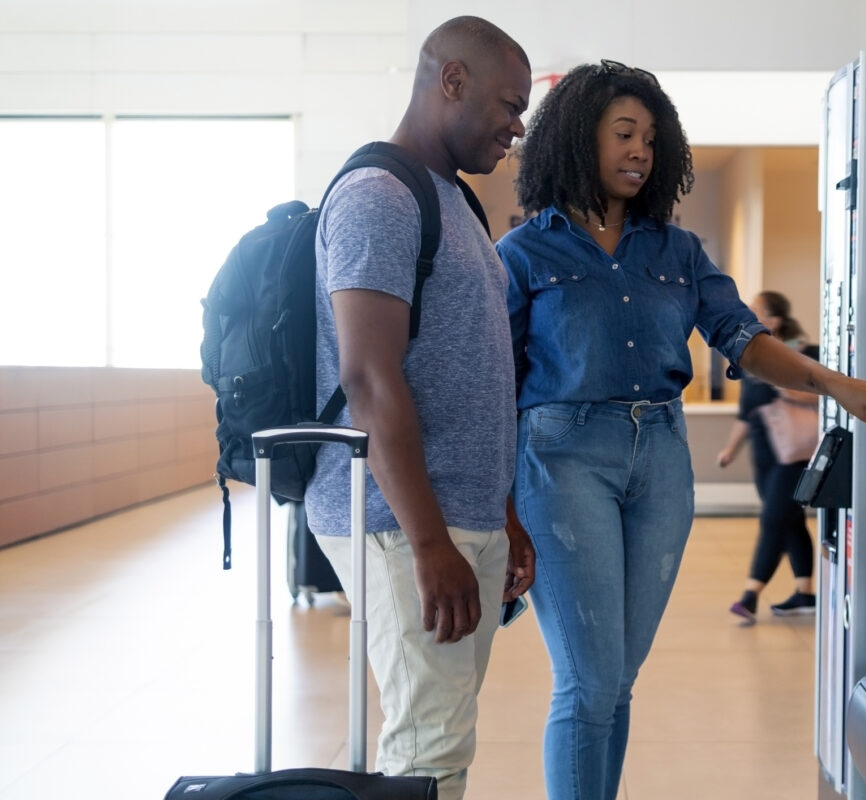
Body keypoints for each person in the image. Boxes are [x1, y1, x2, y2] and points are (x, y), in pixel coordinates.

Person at [495, 61, 866, 800]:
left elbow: (740, 336)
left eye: (651, 139)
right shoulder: (526, 254)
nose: (640, 151)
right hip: (561, 459)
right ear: (574, 140)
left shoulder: (677, 252)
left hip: (660, 458)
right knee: (588, 680)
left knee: (619, 679)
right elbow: (494, 383)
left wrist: (833, 383)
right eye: (624, 134)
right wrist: (497, 507)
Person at [303, 17, 536, 799]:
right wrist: (430, 542)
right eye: (509, 103)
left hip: (455, 516)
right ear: (452, 82)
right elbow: (369, 379)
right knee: (428, 748)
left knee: (442, 730)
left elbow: (474, 370)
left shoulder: (457, 204)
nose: (518, 124)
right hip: (397, 520)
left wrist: (499, 513)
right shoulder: (379, 197)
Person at [717, 290, 820, 622]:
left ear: (774, 320)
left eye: (756, 309)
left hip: (795, 452)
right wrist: (731, 449)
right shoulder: (751, 355)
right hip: (765, 452)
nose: (748, 312)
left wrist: (779, 379)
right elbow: (747, 413)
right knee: (790, 521)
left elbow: (821, 397)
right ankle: (805, 592)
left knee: (772, 520)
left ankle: (750, 595)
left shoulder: (803, 353)